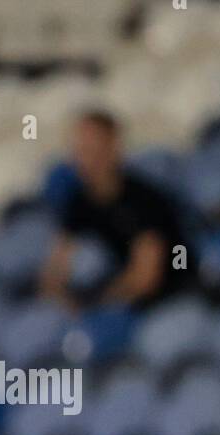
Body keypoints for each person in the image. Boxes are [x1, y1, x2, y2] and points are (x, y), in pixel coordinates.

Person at [39, 110, 189, 310]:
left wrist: (96, 305)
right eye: (80, 150)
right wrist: (62, 301)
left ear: (112, 147)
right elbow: (56, 268)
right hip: (108, 303)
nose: (86, 159)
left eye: (93, 149)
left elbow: (146, 277)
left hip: (165, 303)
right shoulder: (78, 201)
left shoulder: (145, 200)